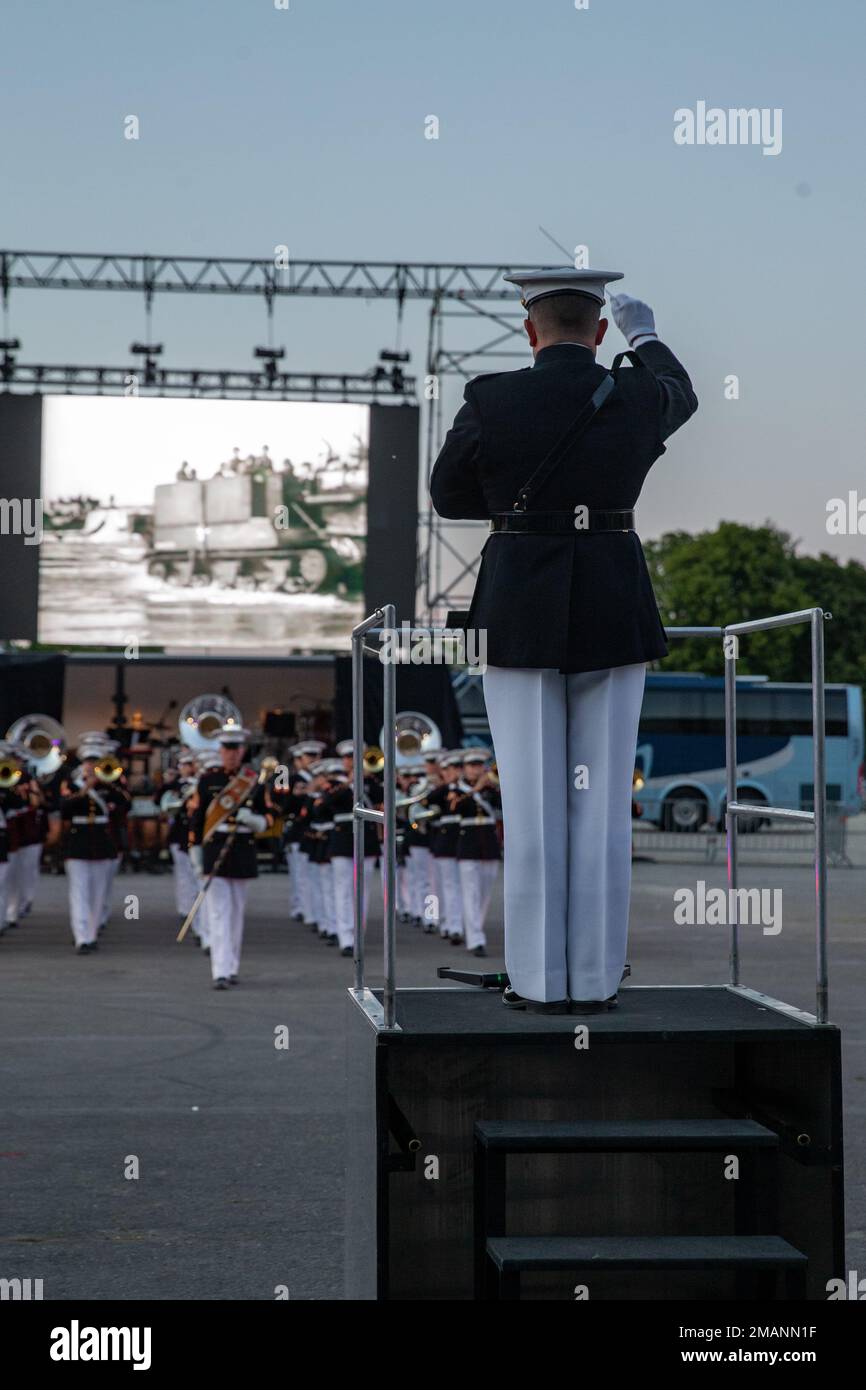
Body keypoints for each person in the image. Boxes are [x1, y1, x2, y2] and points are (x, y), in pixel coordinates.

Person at [430, 267, 698, 1013]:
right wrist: (648, 338)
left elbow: (448, 494)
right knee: (604, 801)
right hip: (613, 601)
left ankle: (541, 981)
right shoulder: (638, 389)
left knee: (534, 801)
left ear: (529, 329)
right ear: (603, 331)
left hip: (519, 603)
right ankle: (596, 977)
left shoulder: (491, 395)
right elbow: (682, 394)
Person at [187, 725, 273, 989]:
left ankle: (232, 966)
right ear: (220, 751)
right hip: (215, 850)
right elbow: (197, 818)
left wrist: (256, 821)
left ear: (243, 751)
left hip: (242, 849)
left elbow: (270, 817)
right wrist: (195, 850)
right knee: (219, 912)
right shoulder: (207, 780)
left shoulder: (254, 781)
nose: (231, 754)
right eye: (226, 749)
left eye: (235, 749)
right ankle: (220, 971)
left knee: (236, 912)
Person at [59, 737, 131, 954]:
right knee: (79, 891)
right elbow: (64, 810)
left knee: (98, 893)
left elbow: (126, 804)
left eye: (95, 761)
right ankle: (81, 937)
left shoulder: (108, 785)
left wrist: (106, 783)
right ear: (83, 763)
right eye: (89, 761)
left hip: (101, 842)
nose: (92, 765)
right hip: (78, 841)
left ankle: (91, 934)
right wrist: (83, 789)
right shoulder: (71, 785)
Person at [451, 750, 501, 957]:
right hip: (468, 845)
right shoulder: (456, 788)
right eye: (472, 765)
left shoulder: (492, 789)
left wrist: (493, 789)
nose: (476, 769)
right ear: (465, 768)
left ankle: (475, 928)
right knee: (470, 892)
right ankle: (476, 938)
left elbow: (503, 807)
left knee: (484, 893)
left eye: (479, 765)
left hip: (488, 845)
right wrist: (476, 790)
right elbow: (455, 807)